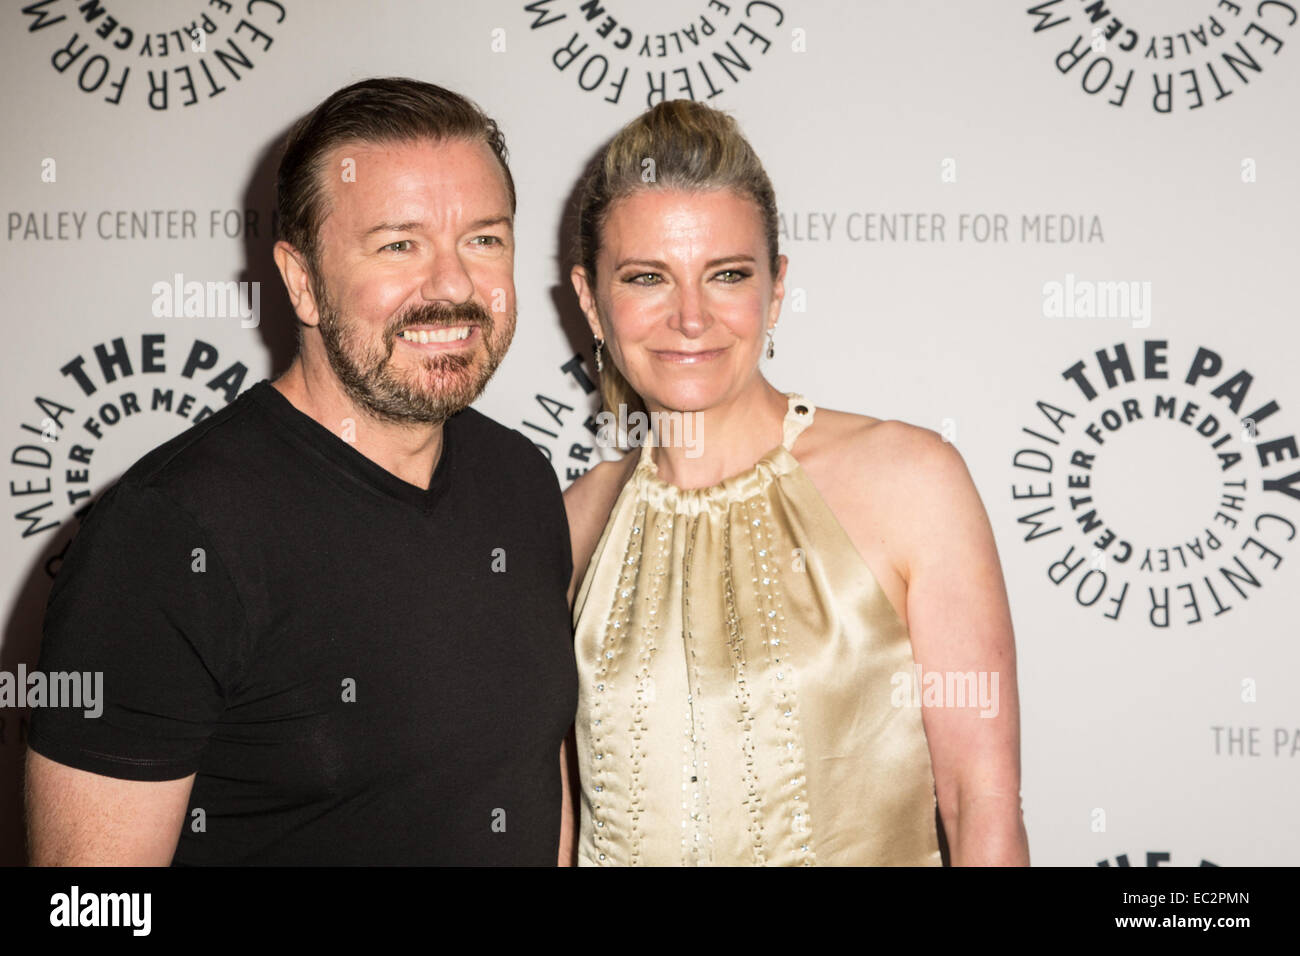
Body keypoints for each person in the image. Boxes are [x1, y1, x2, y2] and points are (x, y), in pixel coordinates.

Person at [24, 77, 577, 865]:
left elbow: (530, 774)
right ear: (302, 281)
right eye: (398, 244)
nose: (453, 285)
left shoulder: (520, 479)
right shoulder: (167, 535)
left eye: (484, 239)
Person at [561, 100, 1030, 866]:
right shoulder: (576, 524)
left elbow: (982, 808)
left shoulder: (910, 484)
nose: (690, 317)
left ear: (776, 288)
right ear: (590, 300)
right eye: (648, 277)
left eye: (727, 275)